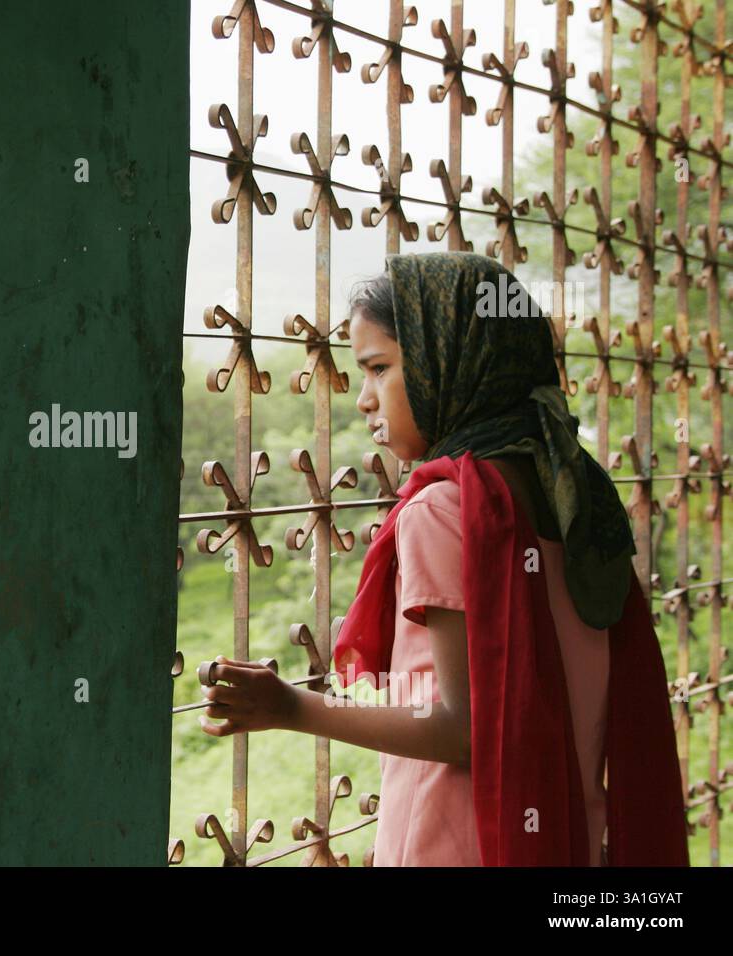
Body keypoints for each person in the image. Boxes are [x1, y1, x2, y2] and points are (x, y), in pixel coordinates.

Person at [198, 251, 689, 866]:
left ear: (446, 364)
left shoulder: (447, 509)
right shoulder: (574, 495)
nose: (364, 401)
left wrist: (291, 707)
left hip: (459, 841)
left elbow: (463, 726)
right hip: (565, 836)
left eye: (380, 369)